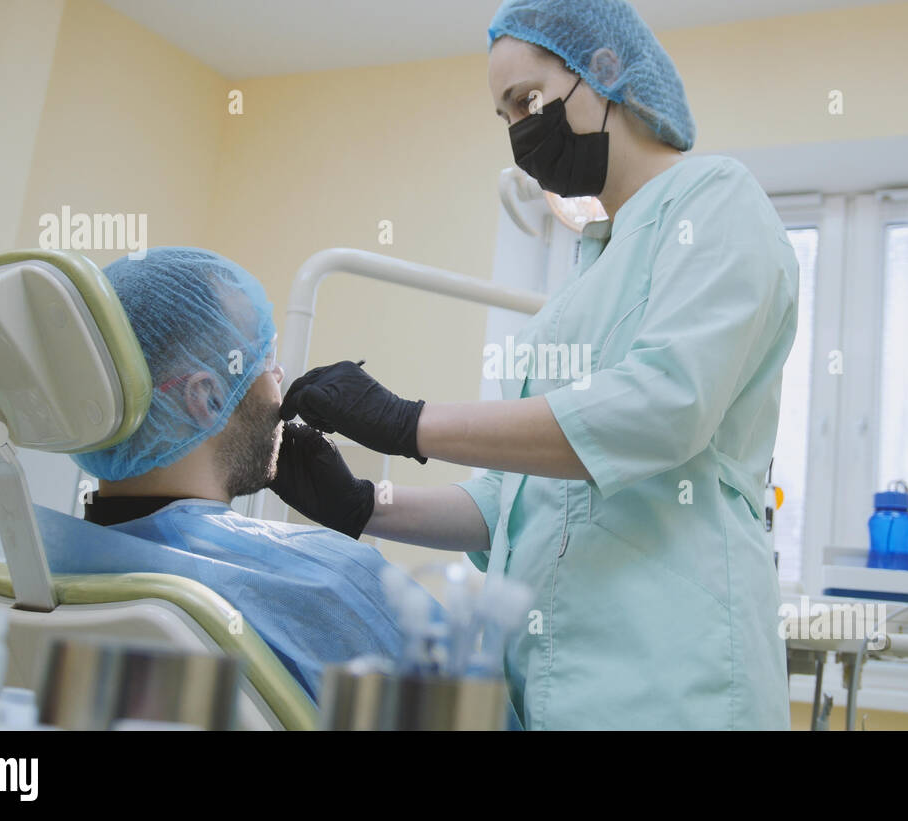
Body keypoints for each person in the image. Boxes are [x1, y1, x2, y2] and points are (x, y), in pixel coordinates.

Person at [272, 0, 799, 729]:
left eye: (528, 100)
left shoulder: (714, 202)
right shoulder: (584, 279)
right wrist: (365, 504)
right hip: (545, 690)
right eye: (505, 116)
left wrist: (406, 423)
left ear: (605, 72)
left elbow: (662, 407)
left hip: (676, 685)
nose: (522, 131)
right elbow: (511, 503)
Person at [66, 246, 427, 701]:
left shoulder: (42, 567)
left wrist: (364, 503)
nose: (280, 377)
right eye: (265, 359)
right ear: (208, 398)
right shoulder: (326, 581)